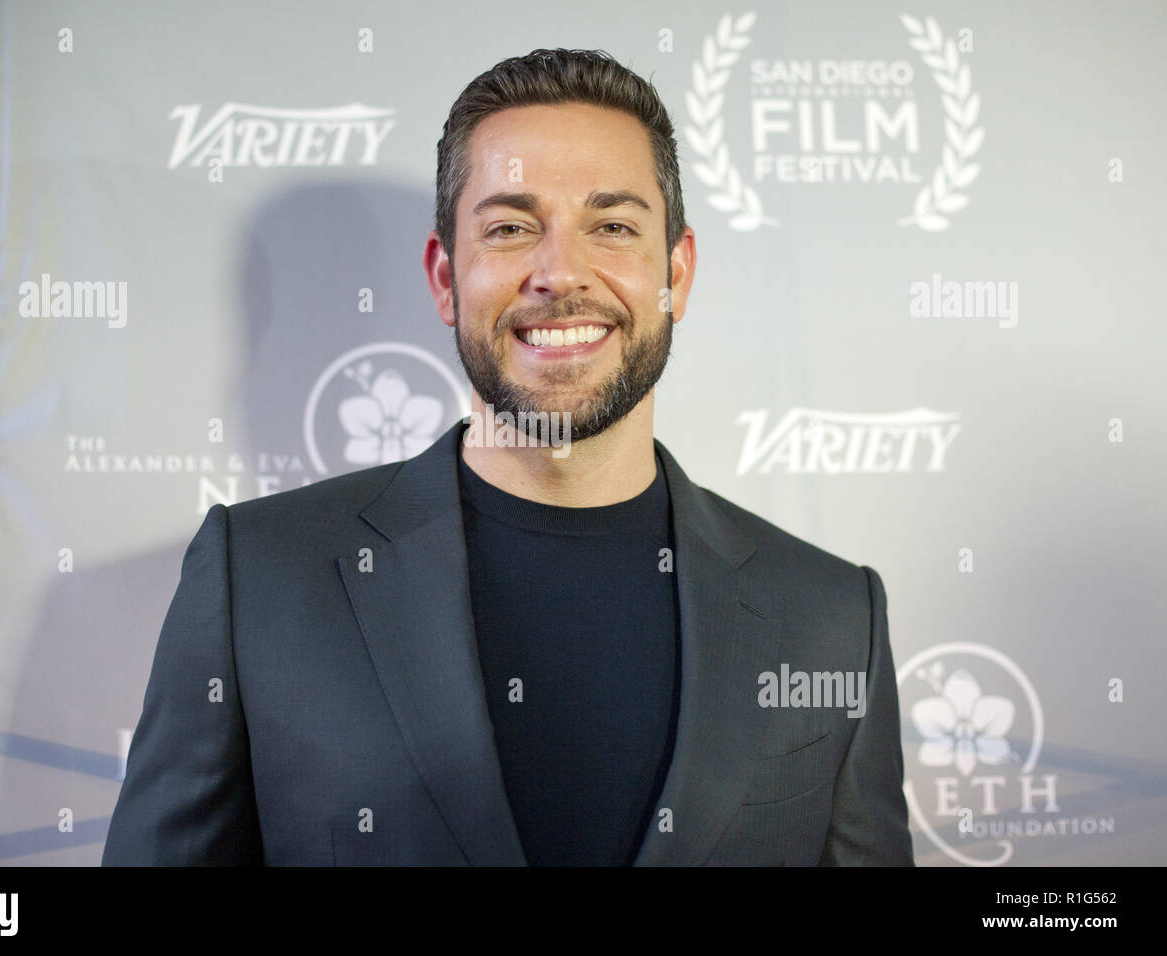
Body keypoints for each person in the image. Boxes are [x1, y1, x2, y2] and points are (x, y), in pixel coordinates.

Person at [102, 48, 913, 866]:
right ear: (445, 278)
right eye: (511, 228)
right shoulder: (258, 579)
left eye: (612, 226)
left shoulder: (832, 617)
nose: (560, 273)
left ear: (678, 271)